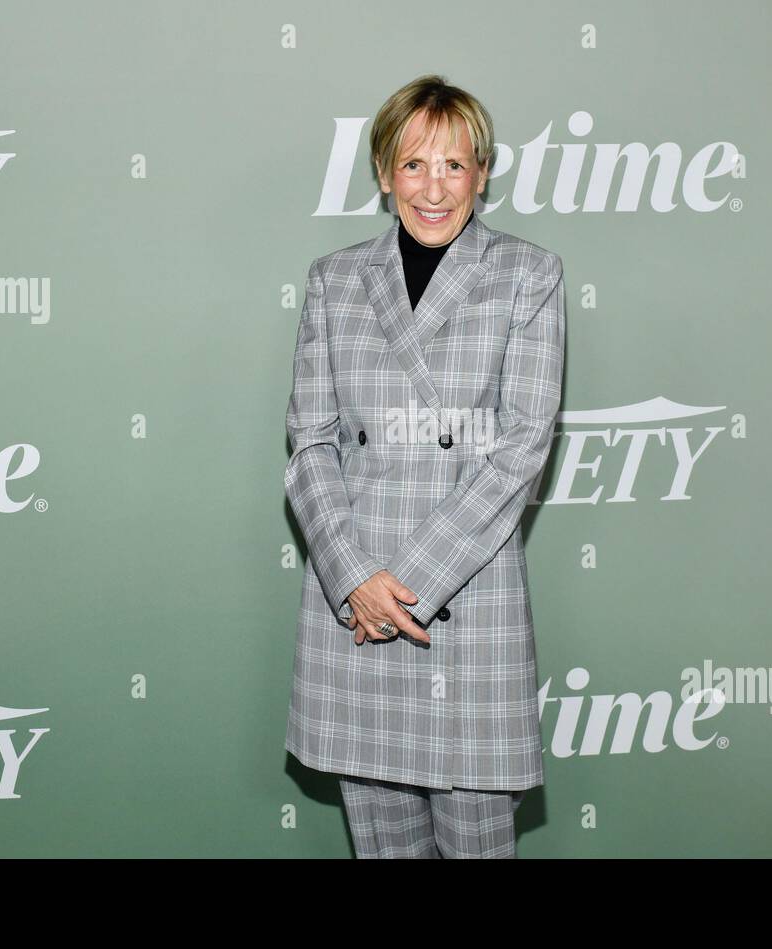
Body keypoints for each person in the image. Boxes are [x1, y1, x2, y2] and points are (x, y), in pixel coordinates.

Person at [282, 74, 566, 858]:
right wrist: (354, 578)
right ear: (383, 172)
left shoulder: (528, 276)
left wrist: (404, 584)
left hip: (463, 608)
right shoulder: (335, 281)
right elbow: (309, 443)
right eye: (413, 165)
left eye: (454, 165)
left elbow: (520, 449)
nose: (434, 188)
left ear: (482, 173)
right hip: (357, 616)